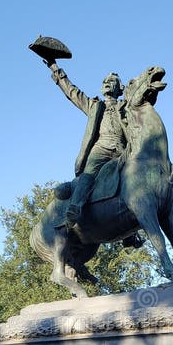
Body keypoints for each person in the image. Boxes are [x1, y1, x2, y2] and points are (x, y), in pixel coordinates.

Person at [48, 62, 127, 227]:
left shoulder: (125, 108)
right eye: (105, 80)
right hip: (101, 149)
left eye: (111, 80)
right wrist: (55, 69)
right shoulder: (94, 105)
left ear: (119, 88)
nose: (107, 82)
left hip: (123, 151)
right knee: (88, 175)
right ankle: (74, 209)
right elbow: (72, 93)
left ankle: (130, 233)